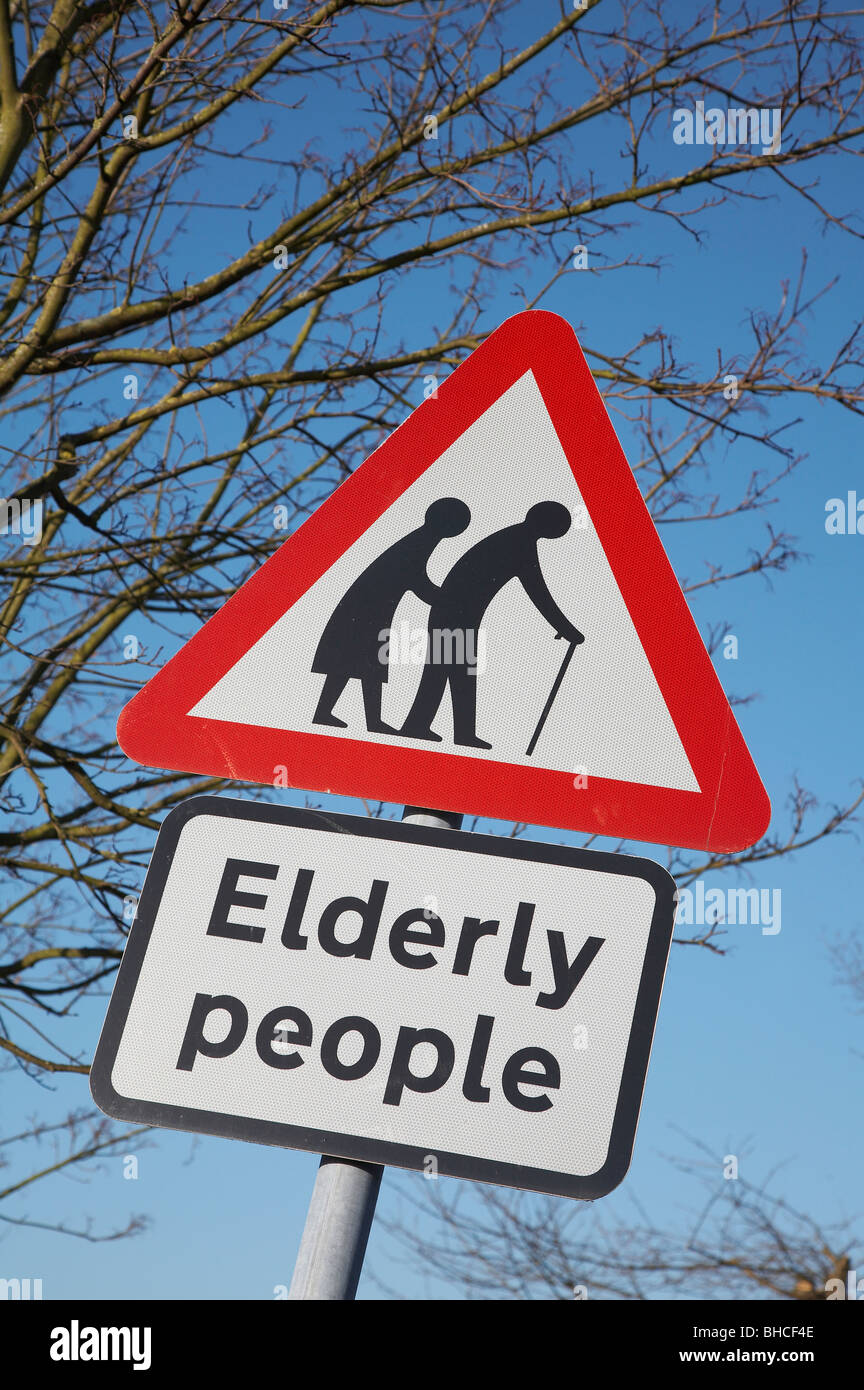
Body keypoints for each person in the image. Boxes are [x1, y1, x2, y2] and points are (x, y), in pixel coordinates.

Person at [399, 501, 584, 749]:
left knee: (451, 671)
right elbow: (538, 592)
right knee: (450, 671)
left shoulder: (515, 538)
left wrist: (565, 628)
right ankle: (431, 729)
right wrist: (567, 629)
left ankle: (428, 727)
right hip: (456, 613)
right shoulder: (520, 544)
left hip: (456, 613)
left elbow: (536, 590)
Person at [312, 497, 471, 734]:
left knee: (355, 663)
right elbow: (414, 577)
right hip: (368, 609)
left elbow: (412, 577)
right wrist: (445, 599)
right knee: (362, 662)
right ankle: (347, 718)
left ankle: (341, 716)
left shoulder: (423, 537)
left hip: (369, 608)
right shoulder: (422, 540)